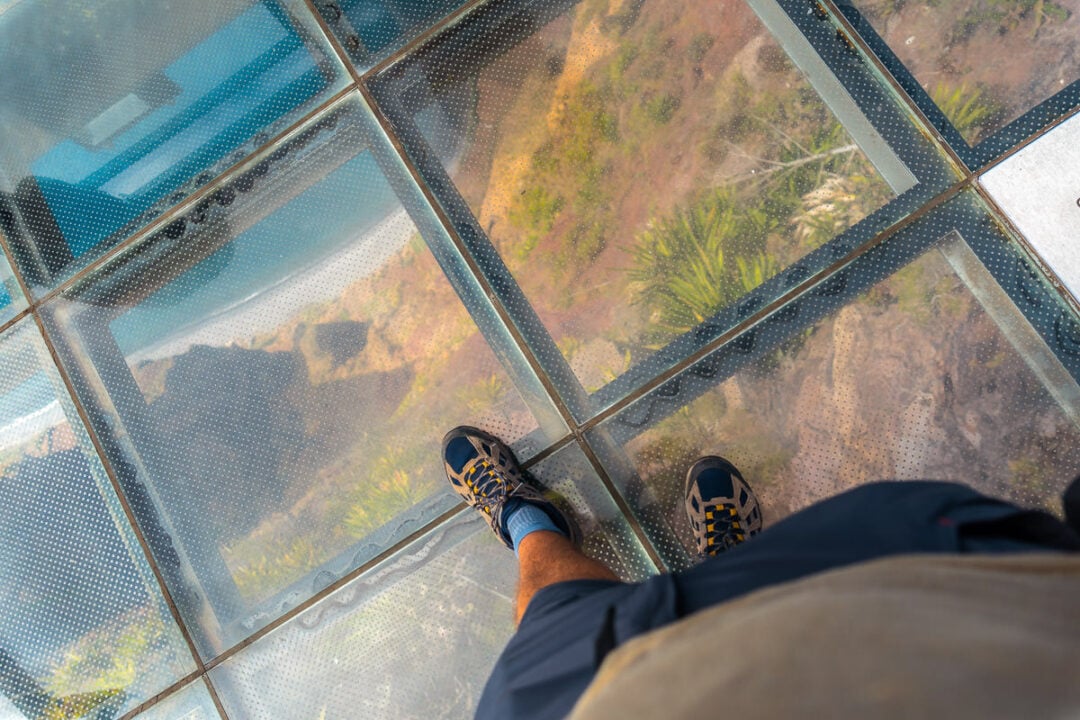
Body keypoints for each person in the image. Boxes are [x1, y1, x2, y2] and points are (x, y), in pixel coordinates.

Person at [442, 426, 1080, 720]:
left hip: (604, 701)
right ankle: (730, 566)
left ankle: (527, 520)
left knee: (547, 622)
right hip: (947, 606)